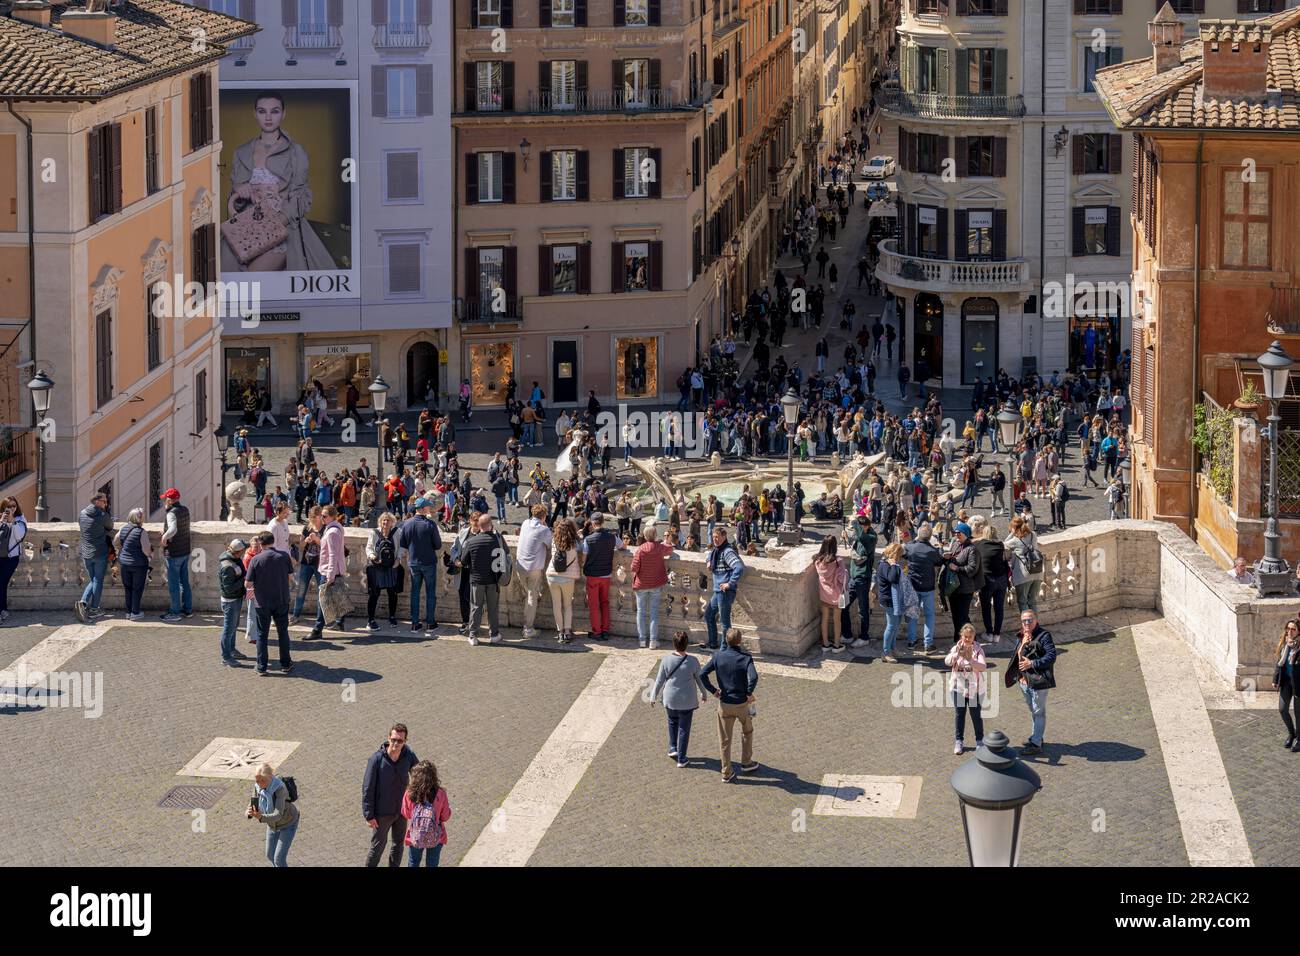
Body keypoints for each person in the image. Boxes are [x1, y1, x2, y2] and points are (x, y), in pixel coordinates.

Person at [221, 91, 337, 273]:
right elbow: (234, 196)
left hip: (281, 228)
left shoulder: (296, 152)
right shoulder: (241, 152)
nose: (268, 117)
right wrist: (241, 191)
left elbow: (302, 197)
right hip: (246, 227)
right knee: (225, 271)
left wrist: (276, 222)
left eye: (274, 111)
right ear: (255, 114)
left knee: (254, 278)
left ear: (283, 114)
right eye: (262, 111)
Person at [700, 629, 760, 782]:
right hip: (741, 704)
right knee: (747, 731)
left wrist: (714, 691)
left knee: (725, 739)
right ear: (739, 641)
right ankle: (746, 762)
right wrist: (748, 693)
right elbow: (753, 677)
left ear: (726, 641)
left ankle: (726, 772)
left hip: (725, 703)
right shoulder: (746, 658)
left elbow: (702, 674)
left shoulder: (718, 656)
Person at [362, 724, 420, 867]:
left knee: (398, 845)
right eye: (393, 739)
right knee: (377, 847)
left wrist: (416, 794)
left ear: (405, 741)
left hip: (402, 811)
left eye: (400, 741)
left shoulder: (408, 755)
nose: (396, 743)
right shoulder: (376, 760)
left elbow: (419, 774)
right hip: (382, 813)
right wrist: (369, 814)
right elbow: (367, 788)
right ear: (388, 738)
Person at [651, 630, 709, 768]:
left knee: (672, 721)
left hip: (670, 699)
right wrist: (704, 693)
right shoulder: (693, 661)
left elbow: (659, 680)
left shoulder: (666, 659)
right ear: (687, 644)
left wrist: (653, 695)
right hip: (687, 701)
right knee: (684, 728)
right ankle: (682, 759)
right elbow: (700, 680)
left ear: (673, 644)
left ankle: (673, 748)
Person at [244, 531, 296, 675]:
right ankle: (286, 664)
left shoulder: (256, 559)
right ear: (273, 542)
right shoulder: (284, 556)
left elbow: (248, 583)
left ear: (261, 544)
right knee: (283, 633)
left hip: (262, 603)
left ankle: (261, 666)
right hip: (281, 600)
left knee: (262, 635)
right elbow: (291, 577)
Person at [1005, 609, 1056, 754]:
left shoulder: (1044, 636)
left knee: (1039, 712)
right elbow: (1018, 655)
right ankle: (1037, 737)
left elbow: (1052, 656)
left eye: (1030, 620)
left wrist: (1032, 664)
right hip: (1023, 681)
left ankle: (1036, 744)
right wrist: (1023, 644)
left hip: (1038, 682)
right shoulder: (1022, 635)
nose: (1026, 623)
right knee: (1033, 710)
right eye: (1024, 621)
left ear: (1036, 620)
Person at [396, 498, 442, 637]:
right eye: (428, 507)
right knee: (430, 593)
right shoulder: (430, 524)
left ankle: (415, 623)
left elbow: (403, 544)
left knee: (415, 593)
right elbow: (438, 545)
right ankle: (430, 623)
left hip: (414, 563)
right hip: (428, 562)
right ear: (423, 509)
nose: (429, 509)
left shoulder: (407, 524)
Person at [461, 513, 505, 645]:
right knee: (492, 608)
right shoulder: (498, 539)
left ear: (479, 526)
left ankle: (473, 635)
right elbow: (506, 553)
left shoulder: (471, 541)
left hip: (476, 580)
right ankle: (494, 634)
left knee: (475, 607)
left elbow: (464, 561)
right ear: (491, 525)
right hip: (493, 580)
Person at [306, 504, 349, 640]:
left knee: (323, 600)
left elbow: (333, 555)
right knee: (337, 597)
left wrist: (329, 575)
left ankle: (317, 629)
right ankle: (339, 622)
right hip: (334, 569)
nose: (321, 518)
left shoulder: (332, 532)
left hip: (329, 571)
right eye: (321, 515)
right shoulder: (335, 528)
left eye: (324, 516)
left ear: (332, 516)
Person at [247, 762, 300, 867]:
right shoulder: (257, 786)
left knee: (279, 859)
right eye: (257, 781)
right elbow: (253, 802)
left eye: (263, 781)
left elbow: (278, 814)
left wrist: (261, 817)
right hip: (272, 824)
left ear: (270, 778)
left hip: (288, 823)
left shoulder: (280, 788)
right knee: (270, 855)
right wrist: (249, 812)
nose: (260, 784)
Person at [631, 523, 674, 649]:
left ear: (644, 535)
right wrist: (666, 542)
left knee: (641, 612)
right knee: (654, 612)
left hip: (641, 584)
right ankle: (653, 641)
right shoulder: (659, 548)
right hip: (656, 584)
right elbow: (670, 549)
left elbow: (634, 567)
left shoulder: (640, 549)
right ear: (655, 535)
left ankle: (642, 640)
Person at [401, 759, 452, 867]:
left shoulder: (409, 793)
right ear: (434, 776)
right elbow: (445, 816)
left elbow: (406, 814)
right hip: (436, 835)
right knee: (432, 863)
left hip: (416, 835)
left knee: (413, 862)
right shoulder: (440, 793)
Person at [946, 623, 987, 755]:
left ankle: (979, 741)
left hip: (973, 688)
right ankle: (959, 741)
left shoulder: (978, 650)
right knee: (960, 715)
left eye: (970, 636)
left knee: (975, 715)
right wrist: (956, 655)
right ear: (961, 636)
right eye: (965, 636)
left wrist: (970, 659)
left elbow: (983, 667)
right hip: (958, 688)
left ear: (974, 636)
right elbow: (947, 661)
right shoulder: (956, 648)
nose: (967, 639)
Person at [579, 512, 620, 641]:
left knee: (594, 604)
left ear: (592, 523)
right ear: (603, 522)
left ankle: (596, 631)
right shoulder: (612, 537)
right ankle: (605, 630)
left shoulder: (588, 539)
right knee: (604, 602)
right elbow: (622, 546)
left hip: (592, 576)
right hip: (606, 575)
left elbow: (584, 559)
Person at [903, 522, 942, 655]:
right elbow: (939, 561)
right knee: (929, 615)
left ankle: (911, 641)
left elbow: (903, 552)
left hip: (913, 585)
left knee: (913, 613)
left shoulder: (910, 548)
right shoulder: (932, 551)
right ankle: (928, 644)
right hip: (928, 586)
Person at [703, 526, 745, 650]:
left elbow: (739, 568)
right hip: (718, 591)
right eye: (714, 537)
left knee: (725, 623)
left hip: (725, 591)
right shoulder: (717, 550)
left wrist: (730, 583)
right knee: (709, 615)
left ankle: (724, 649)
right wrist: (708, 562)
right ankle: (713, 643)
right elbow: (709, 555)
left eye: (717, 537)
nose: (715, 539)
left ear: (724, 537)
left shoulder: (727, 551)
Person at [514, 504, 553, 639]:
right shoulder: (544, 530)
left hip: (520, 566)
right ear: (544, 516)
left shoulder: (525, 523)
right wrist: (546, 527)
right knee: (532, 597)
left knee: (528, 595)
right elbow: (549, 546)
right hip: (533, 568)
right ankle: (528, 628)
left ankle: (526, 621)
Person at [75, 490, 114, 623]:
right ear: (97, 502)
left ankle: (83, 603)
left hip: (86, 553)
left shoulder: (82, 513)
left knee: (93, 580)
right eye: (104, 501)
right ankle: (94, 608)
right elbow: (110, 526)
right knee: (97, 580)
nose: (106, 503)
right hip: (99, 553)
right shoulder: (102, 515)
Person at [158, 489, 193, 622]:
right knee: (185, 582)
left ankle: (174, 612)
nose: (164, 502)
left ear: (170, 500)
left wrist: (164, 537)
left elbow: (173, 529)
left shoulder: (171, 513)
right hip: (185, 550)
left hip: (174, 553)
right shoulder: (185, 509)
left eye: (165, 499)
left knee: (173, 584)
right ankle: (187, 610)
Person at [943, 522, 982, 642]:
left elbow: (972, 569)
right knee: (955, 615)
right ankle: (958, 639)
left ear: (966, 534)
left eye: (958, 533)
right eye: (955, 533)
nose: (956, 535)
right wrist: (948, 557)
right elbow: (951, 562)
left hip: (965, 588)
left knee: (963, 616)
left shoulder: (972, 549)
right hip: (953, 587)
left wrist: (958, 568)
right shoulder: (955, 544)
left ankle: (970, 640)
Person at [972, 518, 1009, 644]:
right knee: (999, 608)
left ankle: (989, 632)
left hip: (987, 580)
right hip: (1002, 579)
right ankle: (997, 634)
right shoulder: (1000, 545)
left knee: (986, 607)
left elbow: (973, 543)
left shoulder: (981, 545)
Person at [364, 512, 403, 631]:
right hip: (377, 566)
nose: (386, 523)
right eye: (383, 520)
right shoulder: (374, 532)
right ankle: (370, 620)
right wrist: (371, 556)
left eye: (388, 520)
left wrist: (398, 559)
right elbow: (369, 547)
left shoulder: (397, 532)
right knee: (374, 594)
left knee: (392, 593)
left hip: (392, 566)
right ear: (380, 522)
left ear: (392, 522)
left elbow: (402, 547)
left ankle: (392, 616)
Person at [113, 509, 152, 622]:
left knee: (128, 588)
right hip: (138, 564)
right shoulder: (141, 532)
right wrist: (150, 555)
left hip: (124, 563)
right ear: (140, 519)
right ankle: (135, 612)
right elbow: (145, 550)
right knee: (137, 588)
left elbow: (115, 541)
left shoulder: (123, 528)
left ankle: (128, 612)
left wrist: (124, 549)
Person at [547, 518, 582, 643]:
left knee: (556, 605)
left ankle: (560, 631)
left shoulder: (553, 541)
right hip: (567, 577)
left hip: (552, 575)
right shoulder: (574, 543)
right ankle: (567, 632)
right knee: (567, 605)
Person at [845, 514, 877, 648]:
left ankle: (864, 637)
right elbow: (855, 543)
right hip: (854, 578)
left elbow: (861, 536)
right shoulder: (862, 535)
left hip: (863, 578)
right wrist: (846, 537)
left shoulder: (870, 538)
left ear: (866, 526)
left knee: (863, 610)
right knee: (844, 605)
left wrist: (854, 520)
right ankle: (847, 635)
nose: (855, 529)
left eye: (858, 527)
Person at [217, 538, 250, 667]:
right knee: (228, 629)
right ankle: (226, 657)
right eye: (243, 549)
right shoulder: (228, 566)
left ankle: (232, 650)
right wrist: (244, 580)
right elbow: (228, 587)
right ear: (238, 552)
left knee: (233, 627)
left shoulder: (235, 560)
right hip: (230, 601)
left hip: (235, 598)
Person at [814, 535, 849, 653]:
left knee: (824, 618)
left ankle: (825, 644)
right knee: (837, 620)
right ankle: (837, 645)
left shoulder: (818, 561)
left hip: (824, 594)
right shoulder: (838, 561)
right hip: (837, 595)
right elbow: (841, 579)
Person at [1004, 515, 1042, 614]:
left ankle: (1027, 627)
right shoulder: (1033, 534)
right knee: (1032, 601)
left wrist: (1012, 534)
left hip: (1023, 574)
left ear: (1014, 528)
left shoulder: (1015, 541)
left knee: (1023, 602)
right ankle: (1035, 626)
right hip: (1037, 572)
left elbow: (1004, 544)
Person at [1273, 619, 1300, 752]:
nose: (1289, 631)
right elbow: (1279, 663)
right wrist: (1275, 679)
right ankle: (1292, 733)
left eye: (1293, 629)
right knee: (1282, 709)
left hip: (1298, 684)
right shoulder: (1285, 644)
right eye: (1288, 629)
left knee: (1298, 713)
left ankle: (1299, 740)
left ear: (1298, 631)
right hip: (1286, 682)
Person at [0, 497, 26, 623]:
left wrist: (12, 522)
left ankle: (1, 611)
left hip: (11, 558)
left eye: (14, 506)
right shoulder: (0, 518)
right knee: (2, 585)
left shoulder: (20, 519)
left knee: (1, 583)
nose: (11, 509)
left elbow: (19, 537)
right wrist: (1, 522)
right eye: (8, 506)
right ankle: (3, 610)